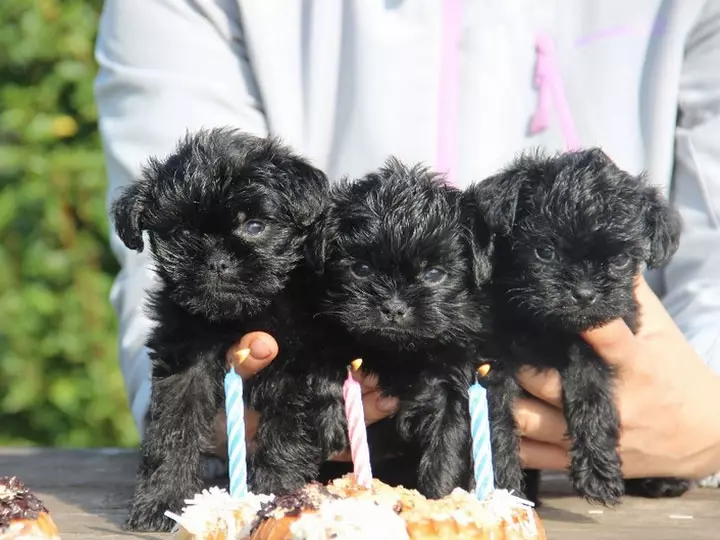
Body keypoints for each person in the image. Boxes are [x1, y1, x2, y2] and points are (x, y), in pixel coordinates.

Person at [94, 0, 720, 484]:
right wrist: (210, 415)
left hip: (655, 420)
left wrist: (709, 416)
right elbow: (168, 251)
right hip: (303, 380)